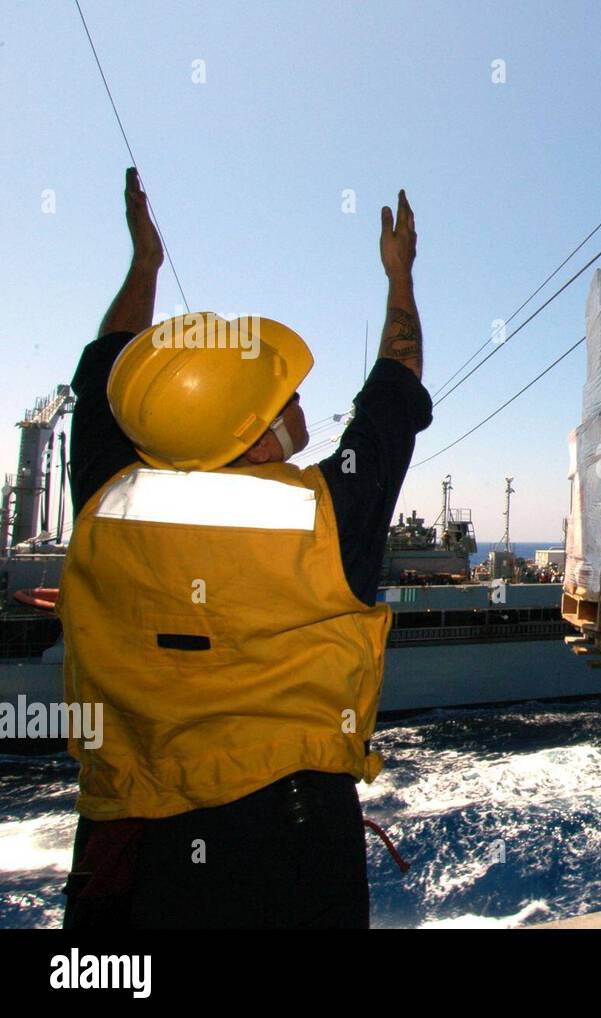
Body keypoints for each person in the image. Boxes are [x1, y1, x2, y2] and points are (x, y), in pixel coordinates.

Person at [59, 167, 431, 928]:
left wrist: (143, 266)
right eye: (282, 400)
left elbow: (110, 364)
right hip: (286, 848)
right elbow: (399, 372)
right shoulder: (329, 515)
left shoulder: (105, 498)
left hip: (127, 849)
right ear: (253, 436)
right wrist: (401, 275)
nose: (298, 409)